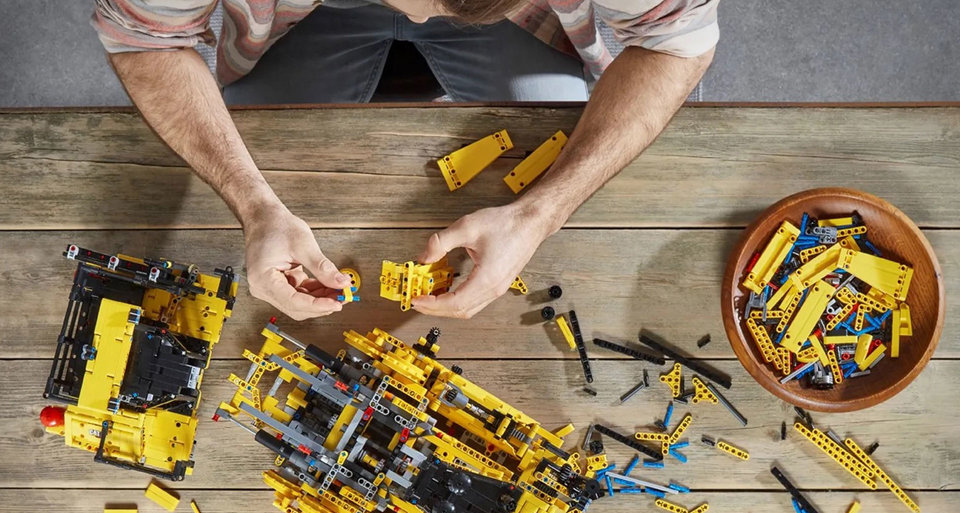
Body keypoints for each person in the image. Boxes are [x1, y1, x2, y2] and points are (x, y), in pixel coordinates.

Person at [93, 0, 718, 320]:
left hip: (521, 24)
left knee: (568, 131)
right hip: (301, 19)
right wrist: (255, 206)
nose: (421, 18)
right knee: (251, 141)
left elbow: (677, 45)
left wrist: (539, 215)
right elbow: (145, 40)